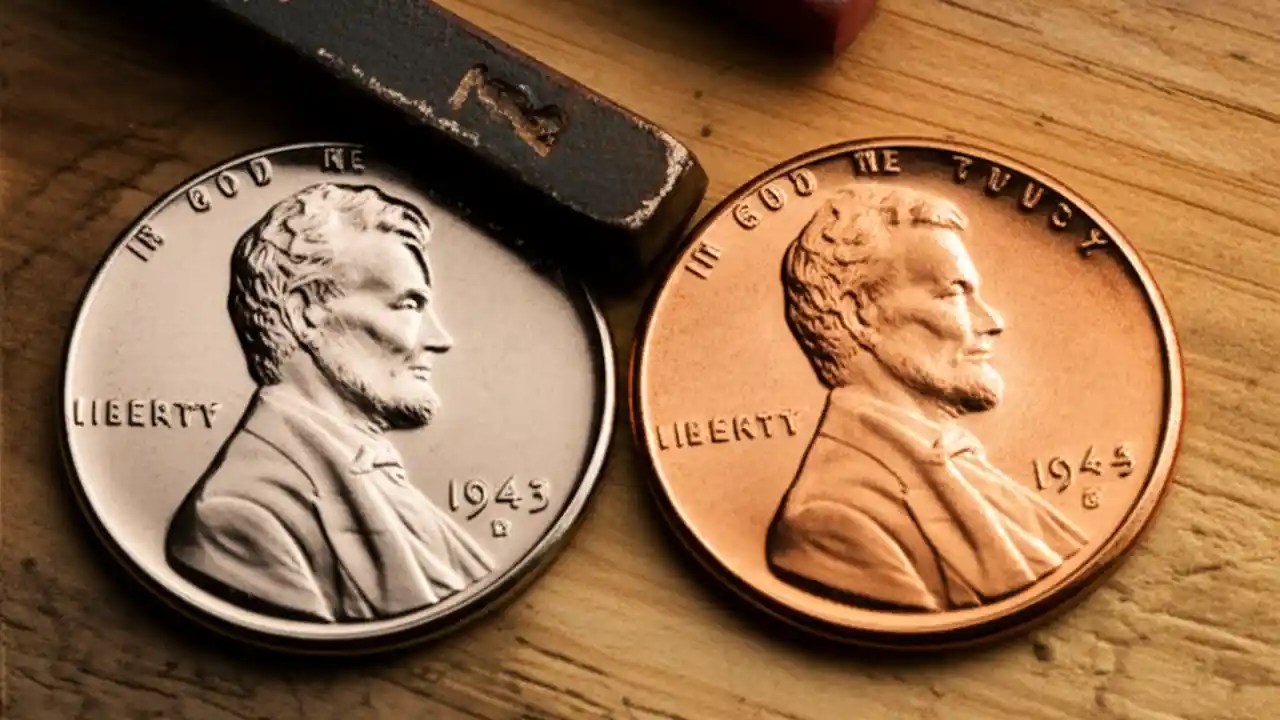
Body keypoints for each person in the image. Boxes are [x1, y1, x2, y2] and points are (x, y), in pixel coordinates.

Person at [165, 182, 493, 623]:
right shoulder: (236, 515)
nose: (439, 339)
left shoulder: (374, 474)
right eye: (408, 305)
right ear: (303, 312)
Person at [765, 184, 1088, 612]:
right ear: (858, 312)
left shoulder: (964, 465)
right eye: (953, 293)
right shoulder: (828, 520)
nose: (991, 321)